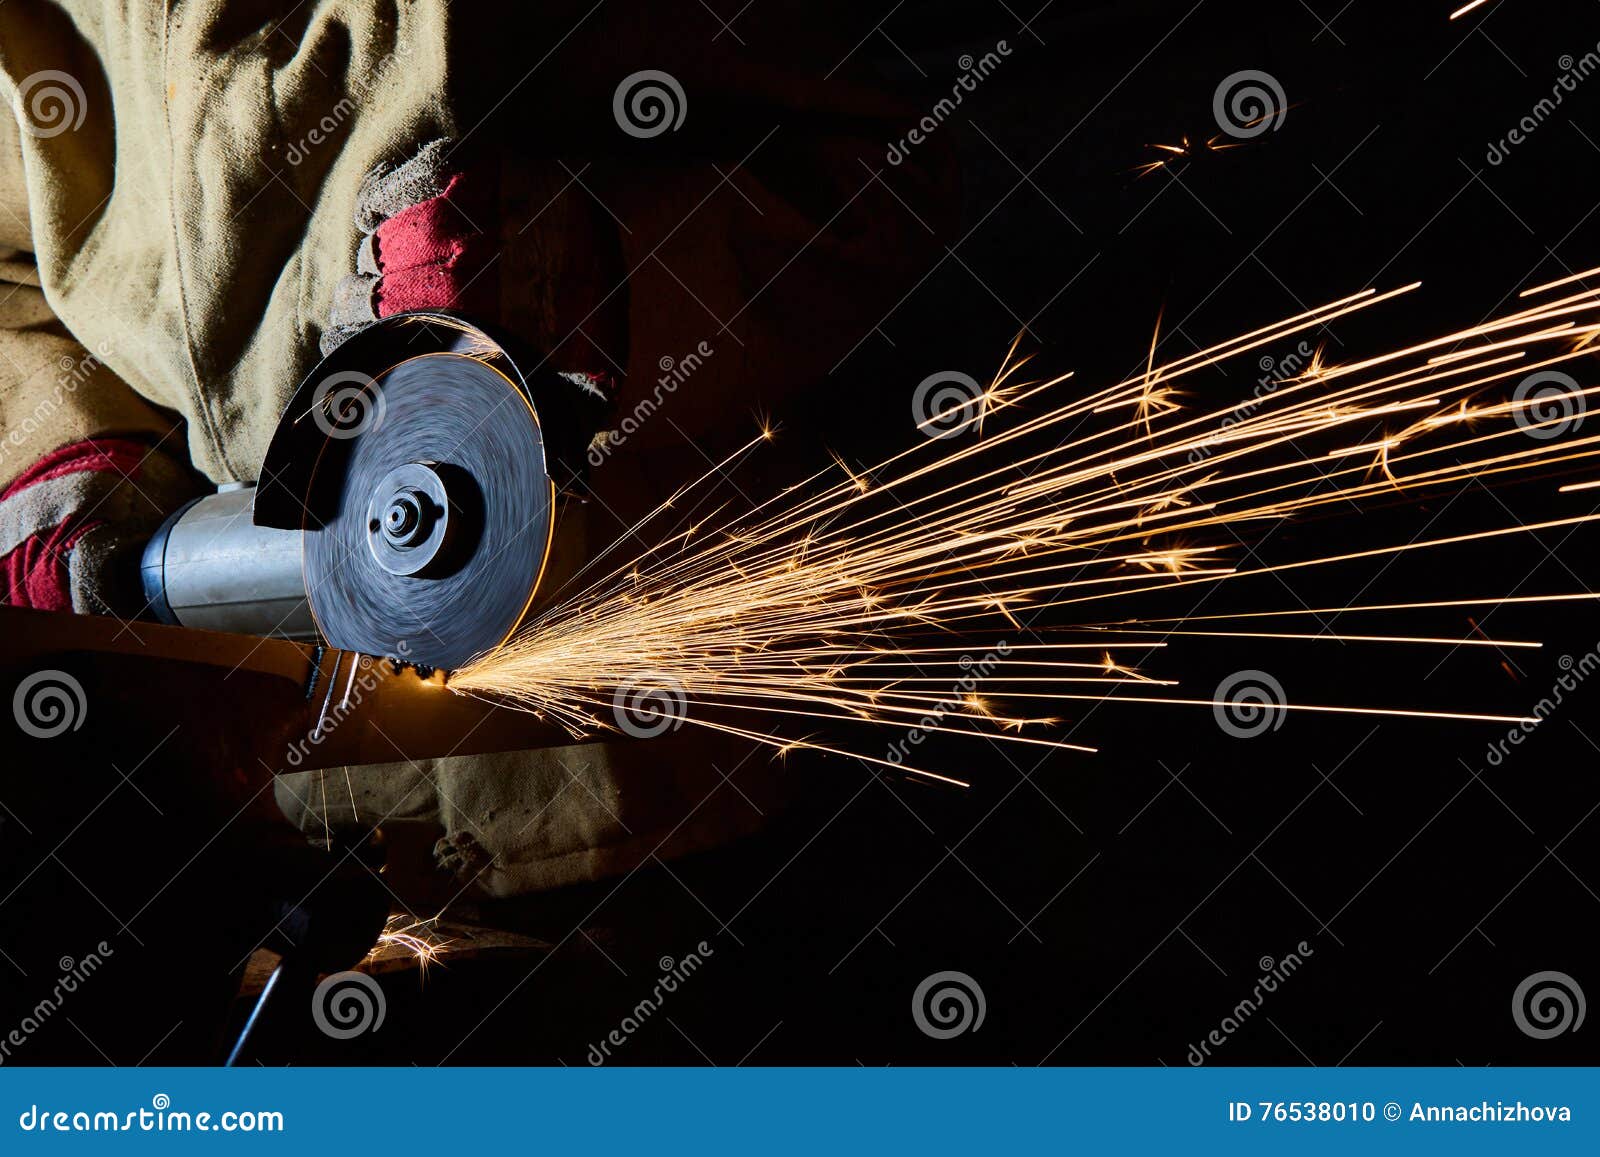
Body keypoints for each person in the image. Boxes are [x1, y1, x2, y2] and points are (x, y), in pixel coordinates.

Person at [0, 3, 955, 915]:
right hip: (317, 824)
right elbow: (13, 279)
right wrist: (72, 478)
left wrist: (580, 277)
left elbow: (938, 169)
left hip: (677, 786)